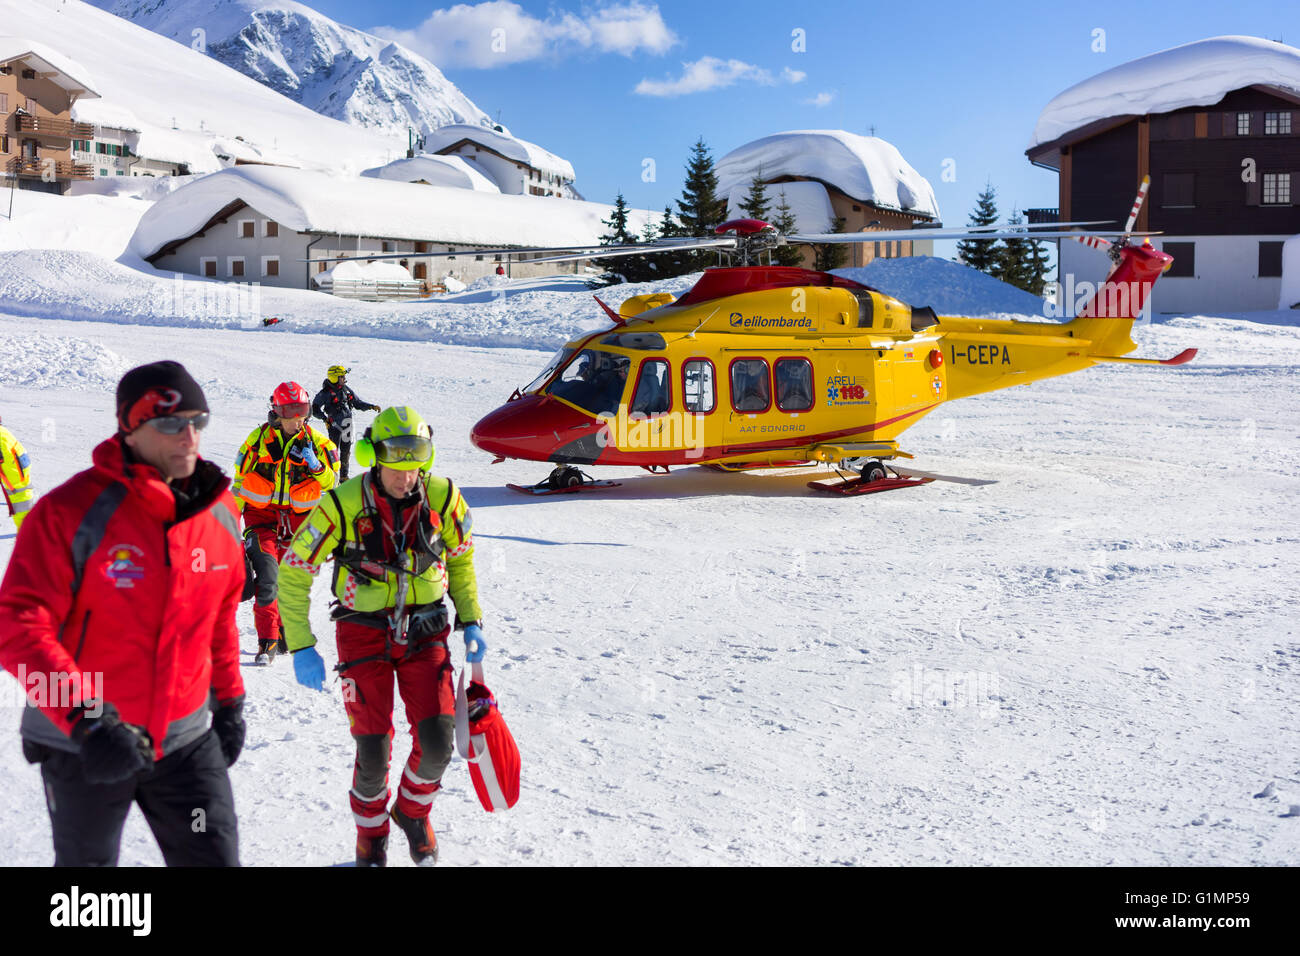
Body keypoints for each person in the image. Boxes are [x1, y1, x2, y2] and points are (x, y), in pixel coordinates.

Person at [0, 360, 245, 866]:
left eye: (199, 422)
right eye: (172, 424)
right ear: (130, 431)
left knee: (214, 857)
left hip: (183, 739)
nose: (190, 438)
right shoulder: (69, 512)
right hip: (81, 744)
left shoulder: (220, 514)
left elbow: (218, 621)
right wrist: (87, 719)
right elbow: (17, 626)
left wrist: (230, 701)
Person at [277, 406, 485, 867]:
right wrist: (301, 644)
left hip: (426, 630)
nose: (406, 473)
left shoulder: (444, 498)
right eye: (396, 457)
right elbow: (294, 571)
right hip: (362, 633)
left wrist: (471, 620)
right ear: (375, 454)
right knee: (373, 751)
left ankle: (412, 813)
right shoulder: (341, 504)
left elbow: (462, 558)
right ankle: (370, 833)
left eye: (417, 458)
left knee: (437, 744)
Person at [234, 381, 339, 664]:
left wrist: (317, 467)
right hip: (262, 519)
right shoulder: (257, 441)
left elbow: (332, 481)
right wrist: (231, 524)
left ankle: (283, 632)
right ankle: (267, 641)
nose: (296, 418)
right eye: (289, 410)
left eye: (302, 410)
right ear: (276, 411)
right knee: (268, 578)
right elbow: (240, 482)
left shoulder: (318, 443)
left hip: (298, 525)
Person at [311, 366, 379, 482]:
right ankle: (331, 476)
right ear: (334, 378)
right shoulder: (325, 393)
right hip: (334, 426)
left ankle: (343, 476)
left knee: (346, 450)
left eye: (343, 376)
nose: (344, 378)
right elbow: (315, 408)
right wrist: (324, 419)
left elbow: (357, 403)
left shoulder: (346, 389)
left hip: (347, 424)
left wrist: (370, 406)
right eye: (341, 376)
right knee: (333, 451)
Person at [0, 417, 35, 531]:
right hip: (13, 458)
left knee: (20, 497)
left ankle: (29, 533)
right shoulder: (3, 433)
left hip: (12, 462)